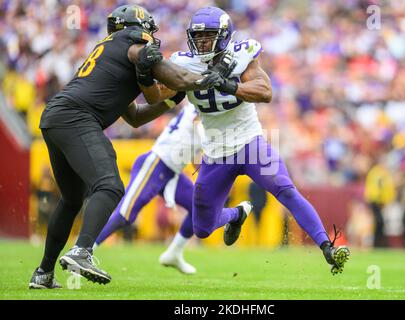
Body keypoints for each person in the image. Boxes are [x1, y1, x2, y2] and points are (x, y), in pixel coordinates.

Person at [28, 4, 224, 289]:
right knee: (110, 186)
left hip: (57, 117)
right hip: (76, 117)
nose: (150, 37)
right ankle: (82, 251)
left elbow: (133, 117)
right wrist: (211, 80)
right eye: (148, 32)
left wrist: (169, 100)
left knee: (71, 199)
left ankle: (43, 273)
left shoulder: (112, 55)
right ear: (137, 27)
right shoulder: (131, 42)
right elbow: (169, 72)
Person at [162, 6, 350, 275]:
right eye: (198, 36)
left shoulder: (242, 55)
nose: (203, 42)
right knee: (203, 228)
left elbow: (265, 92)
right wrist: (147, 73)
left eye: (209, 35)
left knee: (285, 189)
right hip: (216, 153)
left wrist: (229, 85)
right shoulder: (181, 63)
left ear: (224, 35)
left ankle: (327, 247)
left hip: (251, 145)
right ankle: (237, 214)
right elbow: (159, 97)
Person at [95, 103, 223, 274]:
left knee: (199, 207)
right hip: (156, 163)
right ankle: (84, 249)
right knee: (126, 213)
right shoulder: (204, 107)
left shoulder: (205, 118)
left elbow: (195, 156)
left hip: (172, 172)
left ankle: (174, 253)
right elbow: (197, 122)